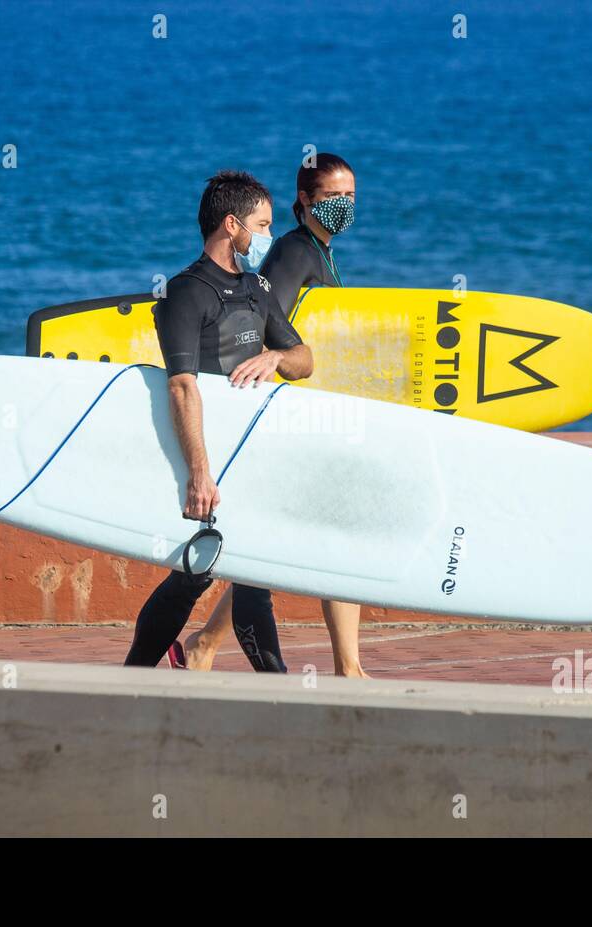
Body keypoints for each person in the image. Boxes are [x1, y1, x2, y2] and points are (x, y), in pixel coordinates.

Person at [178, 154, 370, 677]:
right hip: (284, 413)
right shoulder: (292, 251)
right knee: (315, 531)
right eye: (333, 196)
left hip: (308, 409)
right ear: (304, 202)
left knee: (306, 535)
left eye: (351, 196)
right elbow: (263, 320)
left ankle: (205, 645)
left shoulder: (319, 252)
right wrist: (275, 358)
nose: (344, 206)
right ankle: (343, 667)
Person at [123, 170, 314, 672]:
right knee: (198, 574)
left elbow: (305, 359)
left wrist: (275, 358)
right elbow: (182, 384)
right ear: (232, 225)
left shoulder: (255, 288)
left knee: (249, 569)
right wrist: (199, 473)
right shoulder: (185, 293)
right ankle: (135, 674)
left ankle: (274, 687)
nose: (269, 236)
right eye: (262, 224)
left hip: (252, 452)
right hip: (208, 454)